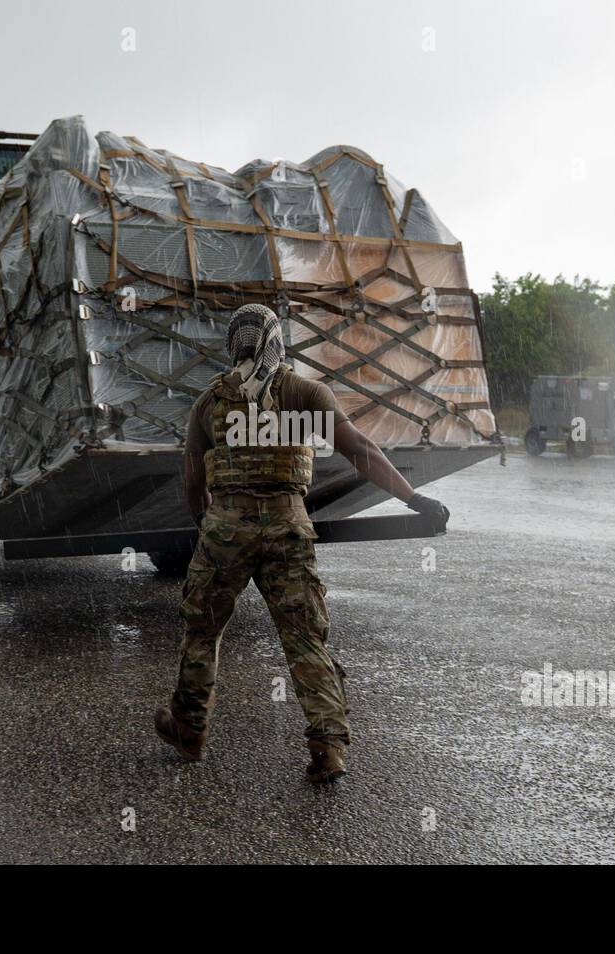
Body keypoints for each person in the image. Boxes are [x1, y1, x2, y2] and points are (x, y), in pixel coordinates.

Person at [154, 303, 448, 783]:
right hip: (289, 528)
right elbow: (360, 450)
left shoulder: (209, 403)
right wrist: (413, 498)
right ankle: (328, 746)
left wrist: (208, 525)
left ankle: (188, 729)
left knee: (202, 632)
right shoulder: (306, 394)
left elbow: (192, 481)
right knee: (305, 638)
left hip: (225, 530)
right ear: (276, 340)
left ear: (234, 343)